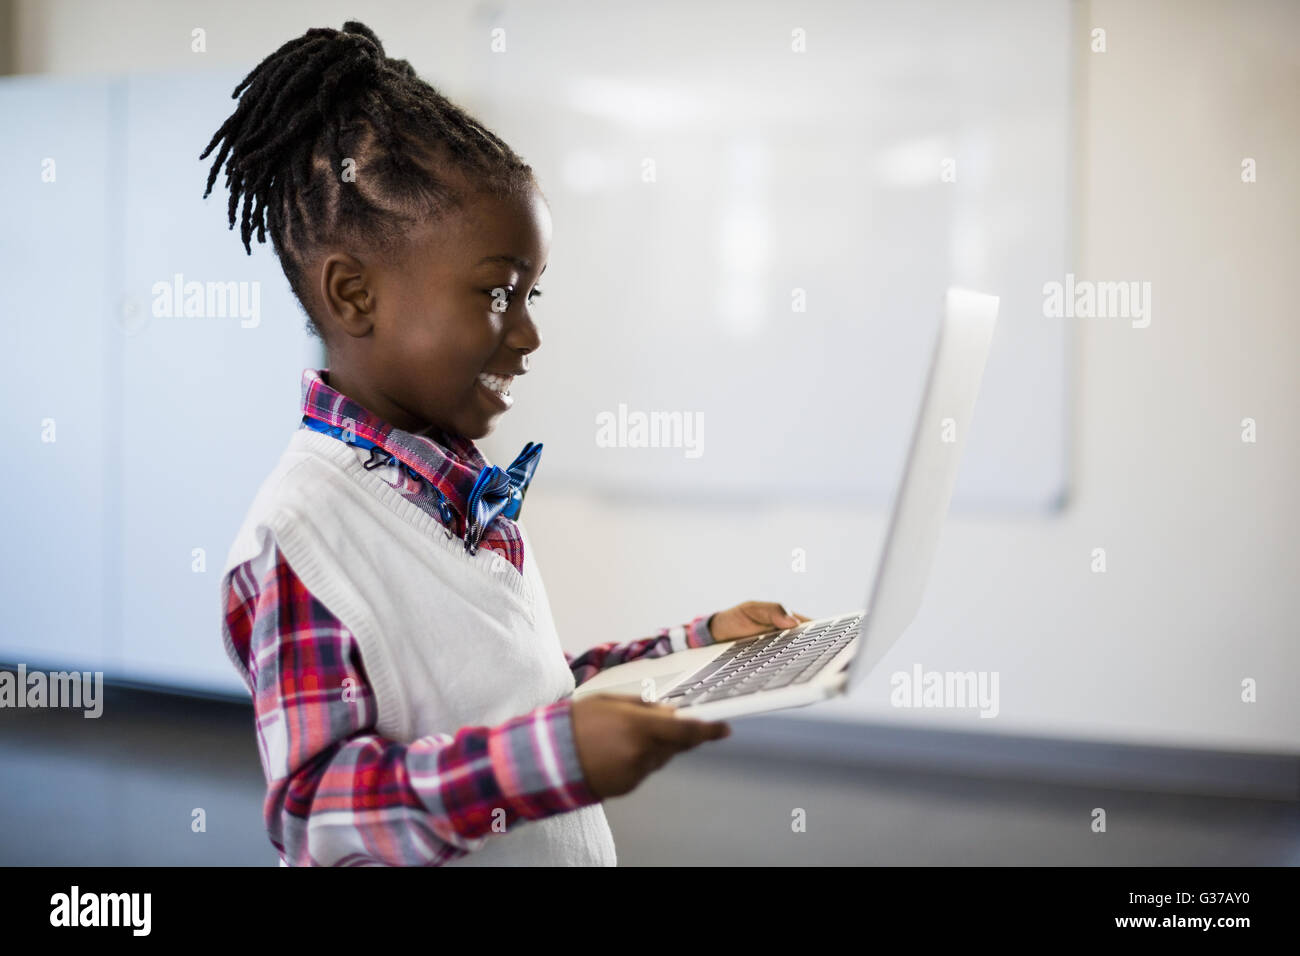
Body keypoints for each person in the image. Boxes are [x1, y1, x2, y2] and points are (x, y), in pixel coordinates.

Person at [204, 20, 807, 866]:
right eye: (496, 293)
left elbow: (516, 692)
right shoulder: (300, 537)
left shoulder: (446, 484)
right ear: (352, 295)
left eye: (533, 294)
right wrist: (553, 759)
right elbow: (315, 810)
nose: (526, 335)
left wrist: (692, 644)